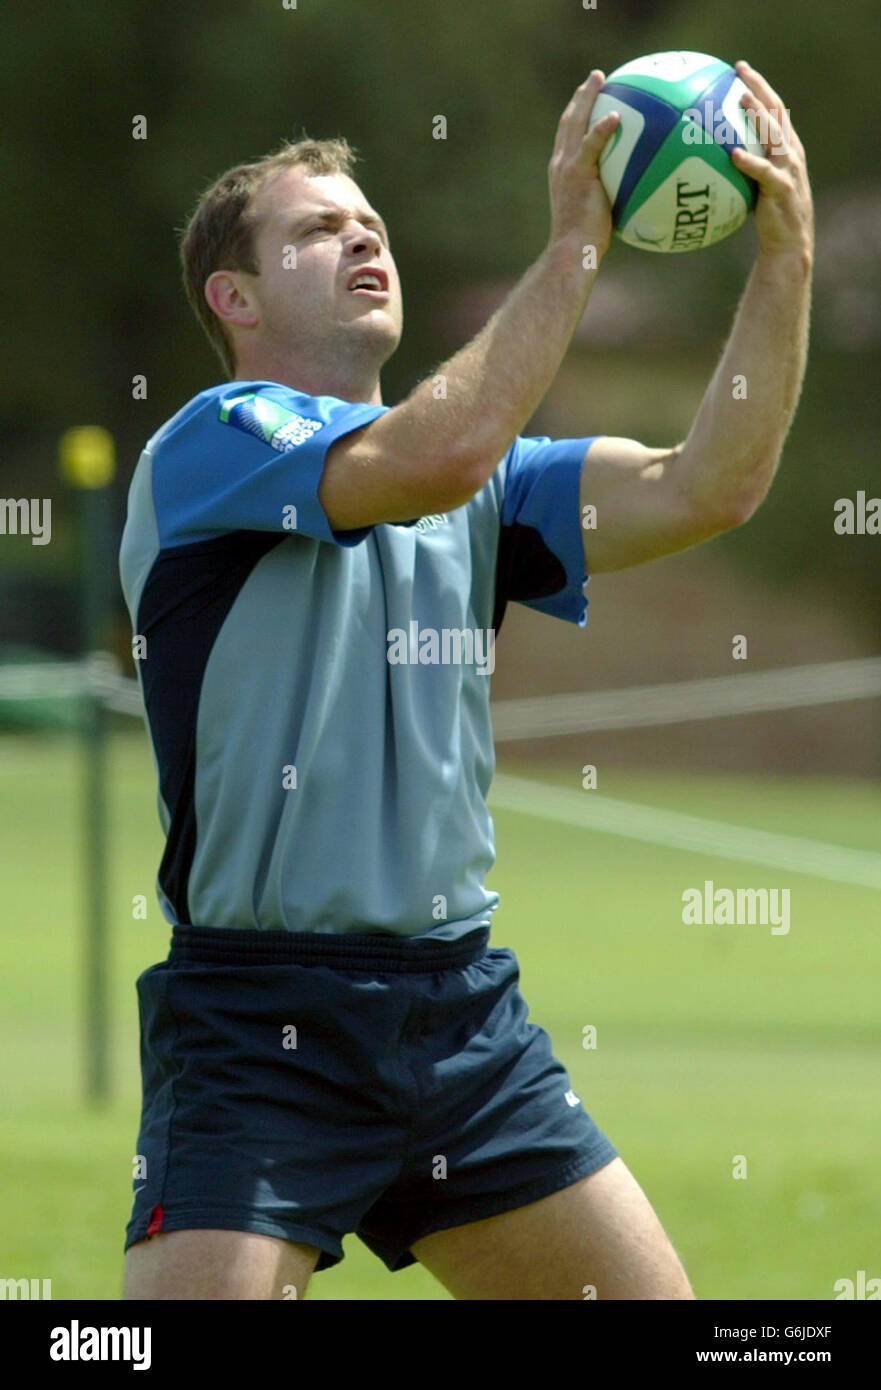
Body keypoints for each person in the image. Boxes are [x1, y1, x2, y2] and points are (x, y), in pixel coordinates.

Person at [120, 63, 813, 1300]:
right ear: (233, 294)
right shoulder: (213, 443)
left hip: (461, 1019)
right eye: (315, 230)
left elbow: (709, 483)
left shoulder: (486, 477)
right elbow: (432, 452)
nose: (359, 238)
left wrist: (784, 261)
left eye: (367, 222)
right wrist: (571, 249)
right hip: (257, 1020)